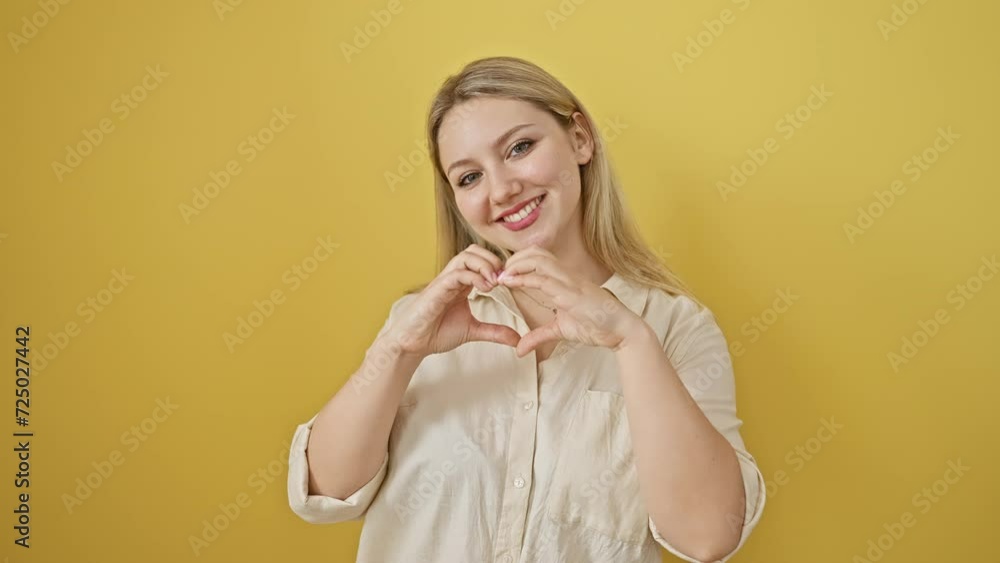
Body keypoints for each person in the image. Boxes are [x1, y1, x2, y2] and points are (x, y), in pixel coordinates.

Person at [286, 56, 766, 563]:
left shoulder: (673, 329)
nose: (501, 189)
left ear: (580, 139)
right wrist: (398, 350)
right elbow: (325, 494)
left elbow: (709, 536)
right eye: (469, 177)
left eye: (520, 148)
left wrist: (630, 340)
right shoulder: (418, 323)